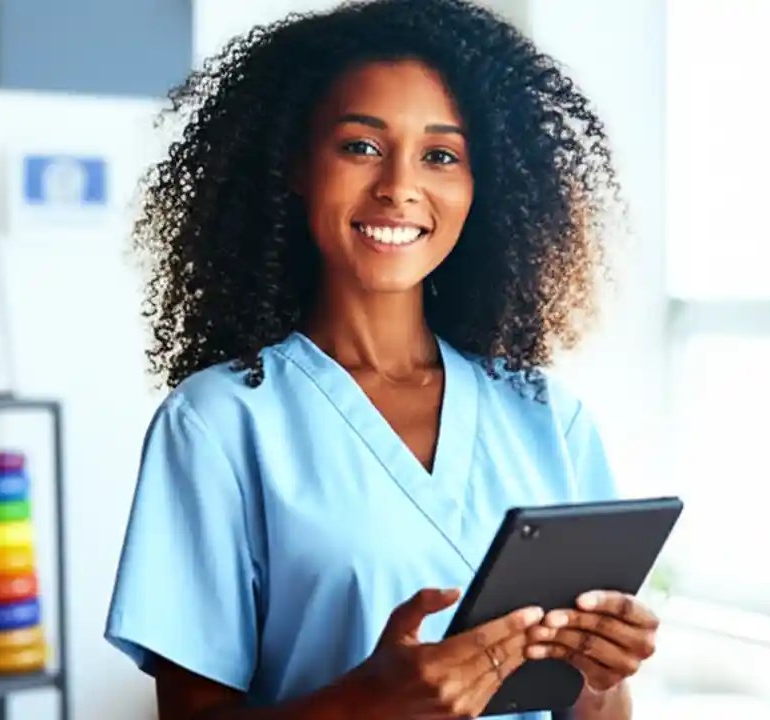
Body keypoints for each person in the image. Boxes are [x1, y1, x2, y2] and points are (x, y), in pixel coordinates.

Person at [105, 1, 658, 718]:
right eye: (361, 146)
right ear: (296, 165)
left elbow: (596, 711)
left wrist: (601, 673)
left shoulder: (548, 417)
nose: (399, 186)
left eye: (441, 156)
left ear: (481, 186)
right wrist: (364, 704)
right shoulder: (218, 422)